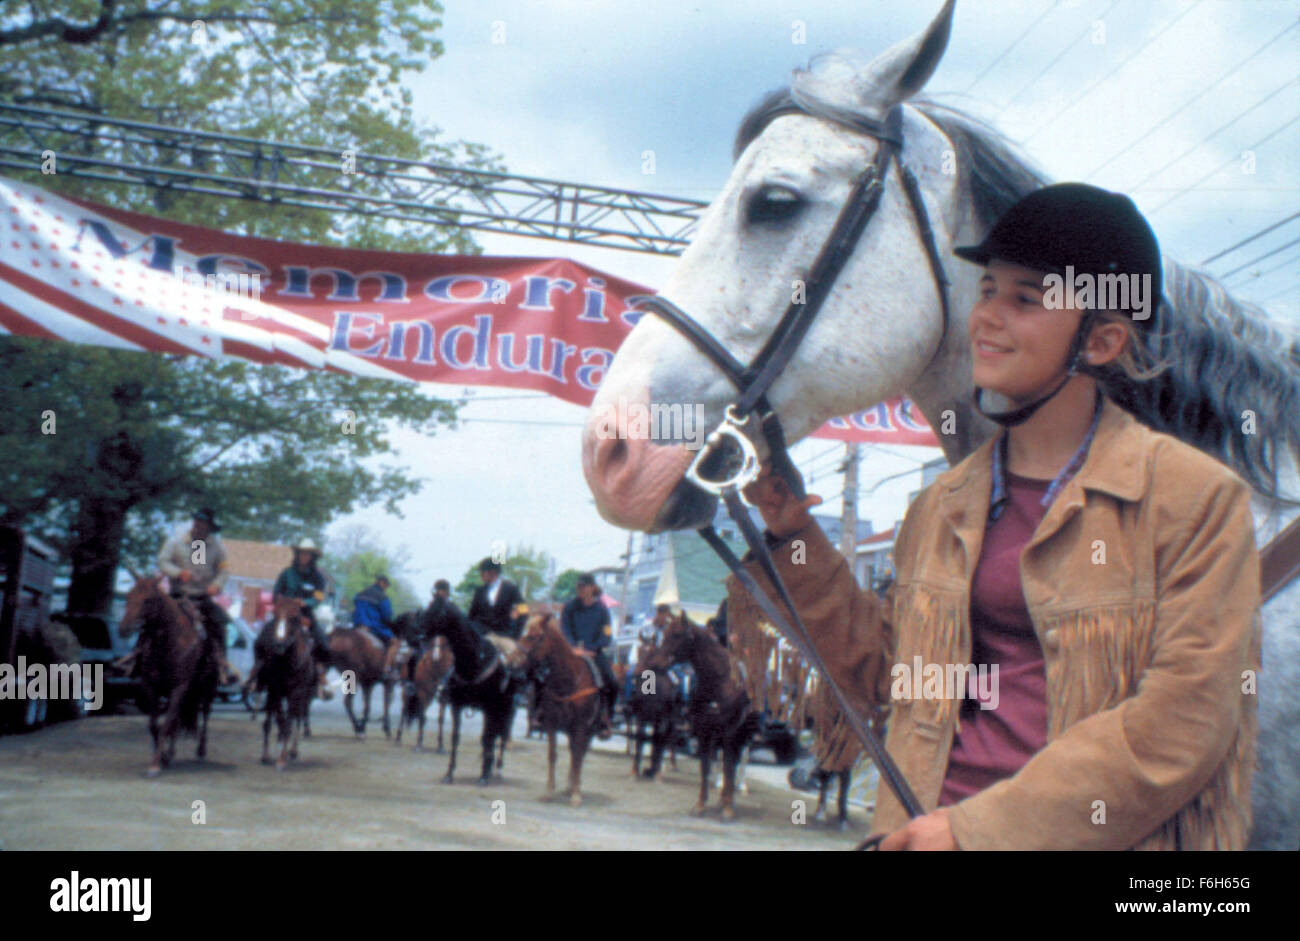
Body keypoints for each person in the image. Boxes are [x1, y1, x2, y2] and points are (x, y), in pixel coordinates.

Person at [727, 183, 1261, 851]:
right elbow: (896, 678)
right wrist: (793, 540)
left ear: (1101, 341)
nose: (987, 317)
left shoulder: (1197, 500)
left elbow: (1183, 724)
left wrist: (976, 832)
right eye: (986, 291)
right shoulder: (941, 507)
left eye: (1025, 300)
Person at [156, 507, 238, 685]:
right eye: (197, 522)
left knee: (220, 623)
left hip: (201, 598)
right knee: (151, 619)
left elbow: (224, 571)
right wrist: (178, 572)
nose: (198, 526)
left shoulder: (217, 546)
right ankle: (137, 656)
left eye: (203, 523)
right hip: (177, 596)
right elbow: (163, 561)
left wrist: (216, 584)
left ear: (209, 526)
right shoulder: (176, 542)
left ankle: (221, 664)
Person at [253, 538, 332, 698]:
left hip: (305, 615)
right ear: (297, 555)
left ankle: (320, 674)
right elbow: (276, 593)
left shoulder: (318, 577)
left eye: (308, 554)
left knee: (323, 644)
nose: (304, 556)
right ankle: (257, 673)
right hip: (285, 615)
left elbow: (318, 597)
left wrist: (305, 602)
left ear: (312, 557)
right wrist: (283, 603)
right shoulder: (287, 573)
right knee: (261, 639)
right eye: (302, 553)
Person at [560, 572, 618, 738]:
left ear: (592, 588)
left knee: (612, 683)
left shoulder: (603, 610)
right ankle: (540, 713)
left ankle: (607, 718)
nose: (580, 590)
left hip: (594, 653)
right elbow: (565, 628)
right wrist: (572, 647)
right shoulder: (570, 606)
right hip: (572, 651)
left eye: (583, 587)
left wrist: (591, 648)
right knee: (546, 673)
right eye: (578, 587)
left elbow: (606, 635)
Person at [352, 574, 398, 677]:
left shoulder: (360, 594)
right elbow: (387, 616)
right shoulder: (383, 597)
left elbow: (355, 605)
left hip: (357, 626)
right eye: (386, 586)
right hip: (374, 627)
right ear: (383, 583)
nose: (386, 588)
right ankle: (386, 669)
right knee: (394, 643)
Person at [467, 558, 524, 641]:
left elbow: (524, 611)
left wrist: (516, 635)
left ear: (492, 572)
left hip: (503, 635)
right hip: (481, 635)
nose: (481, 576)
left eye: (482, 573)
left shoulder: (511, 589)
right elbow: (472, 615)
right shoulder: (479, 591)